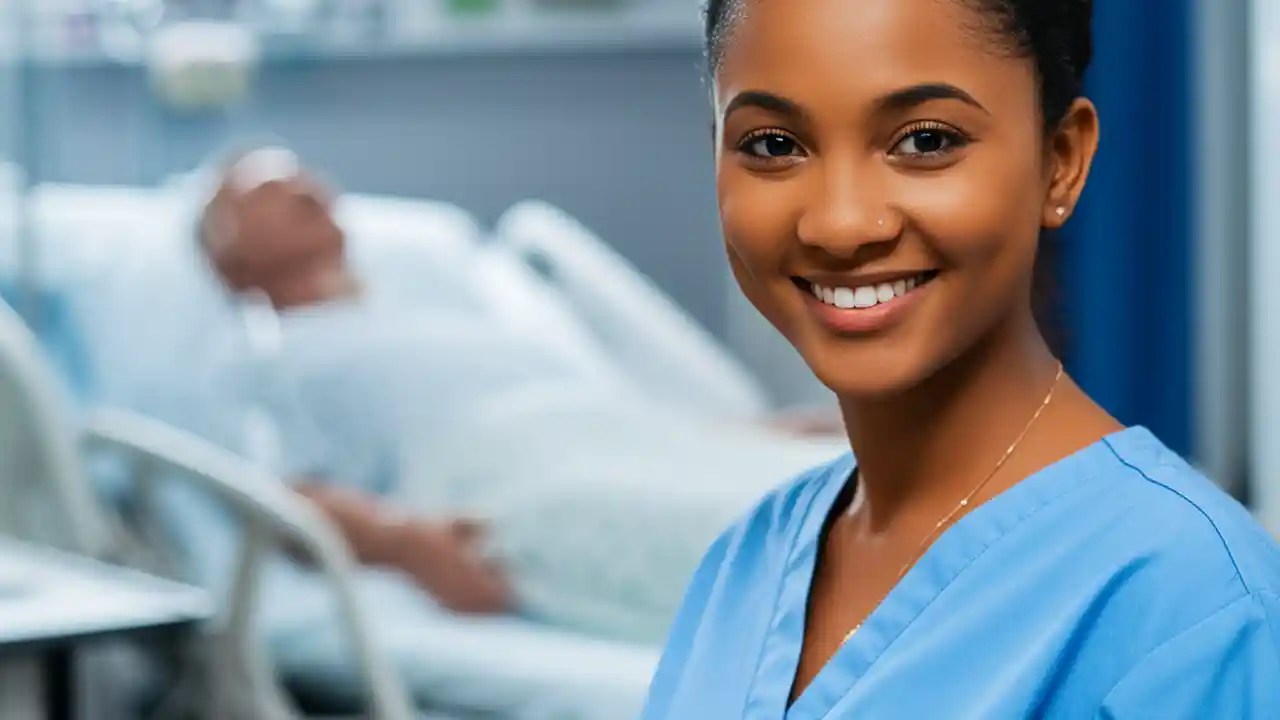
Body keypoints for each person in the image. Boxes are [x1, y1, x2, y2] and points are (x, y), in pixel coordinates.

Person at [642, 0, 1280, 717]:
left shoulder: (1194, 606)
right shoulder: (743, 564)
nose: (842, 224)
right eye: (772, 145)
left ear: (1061, 163)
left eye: (924, 141)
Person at [146, 146, 847, 630]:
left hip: (615, 439)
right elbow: (274, 493)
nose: (304, 186)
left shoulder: (440, 310)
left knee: (861, 486)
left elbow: (597, 408)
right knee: (786, 541)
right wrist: (406, 542)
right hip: (507, 476)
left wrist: (744, 436)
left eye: (305, 175)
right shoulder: (261, 357)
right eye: (265, 190)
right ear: (228, 260)